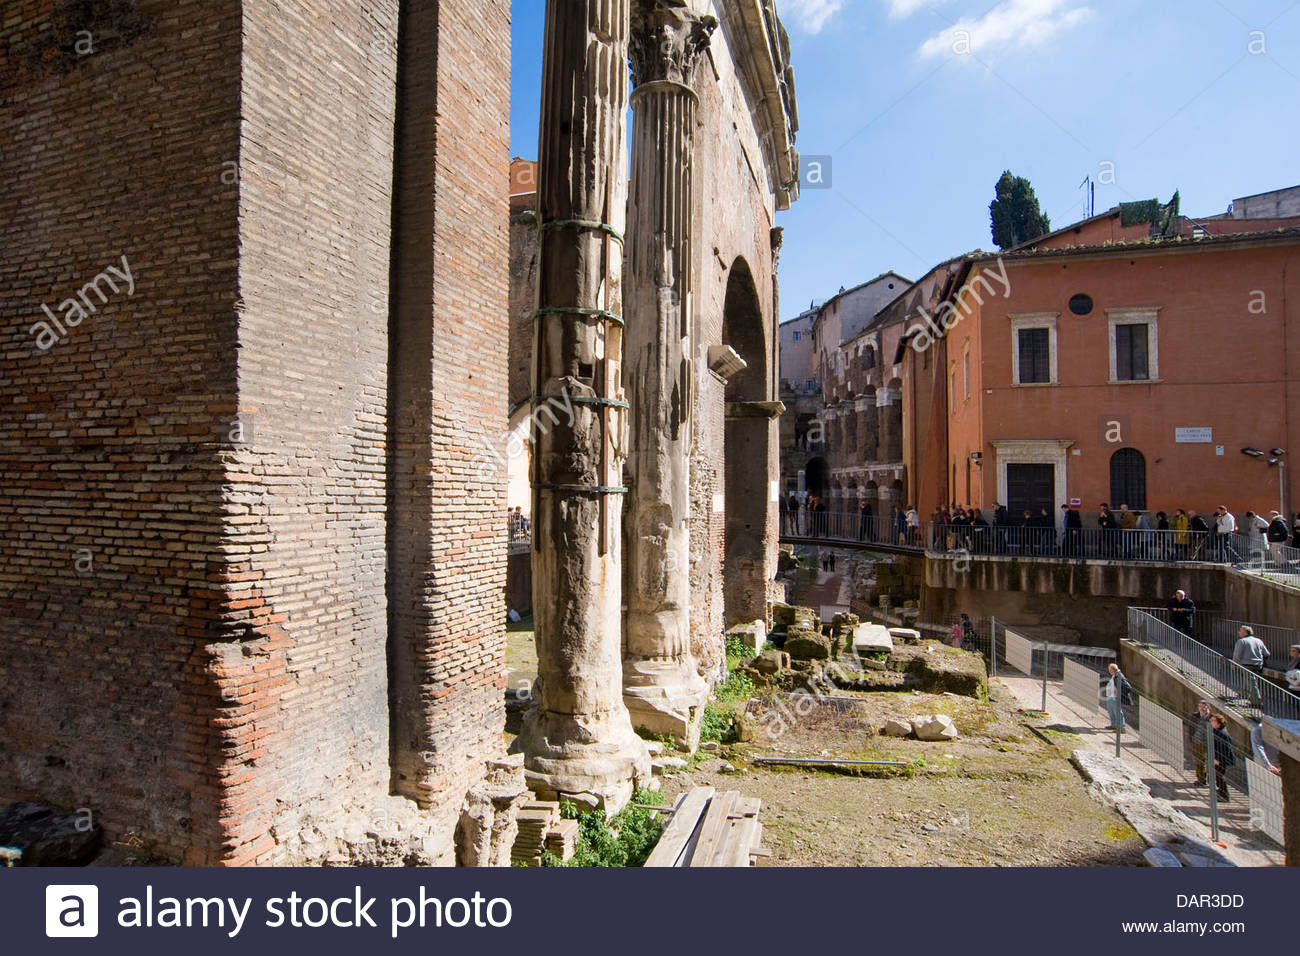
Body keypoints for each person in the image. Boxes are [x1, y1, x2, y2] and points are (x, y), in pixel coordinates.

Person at [1209, 713, 1235, 802]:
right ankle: (1220, 792)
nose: (1211, 722)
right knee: (1217, 776)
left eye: (1213, 721)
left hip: (1221, 759)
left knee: (1220, 776)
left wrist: (1218, 760)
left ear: (1219, 723)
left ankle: (1224, 795)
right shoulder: (1216, 730)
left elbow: (1225, 749)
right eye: (1211, 720)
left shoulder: (1222, 733)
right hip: (1216, 757)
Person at [1185, 700, 1211, 785]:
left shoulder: (1212, 718)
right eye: (1200, 706)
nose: (1202, 708)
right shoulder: (1194, 716)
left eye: (1204, 706)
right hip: (1196, 742)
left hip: (1208, 743)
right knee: (1199, 762)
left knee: (1208, 762)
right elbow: (1191, 728)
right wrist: (1191, 740)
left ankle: (1210, 780)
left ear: (1208, 707)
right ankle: (1201, 779)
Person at [1104, 663, 1133, 733]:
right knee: (1111, 711)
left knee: (1117, 712)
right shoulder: (1115, 675)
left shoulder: (1119, 675)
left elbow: (1128, 687)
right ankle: (1114, 724)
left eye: (1109, 670)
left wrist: (1119, 692)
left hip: (1115, 697)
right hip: (1110, 697)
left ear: (1113, 669)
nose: (1109, 671)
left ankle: (1121, 728)